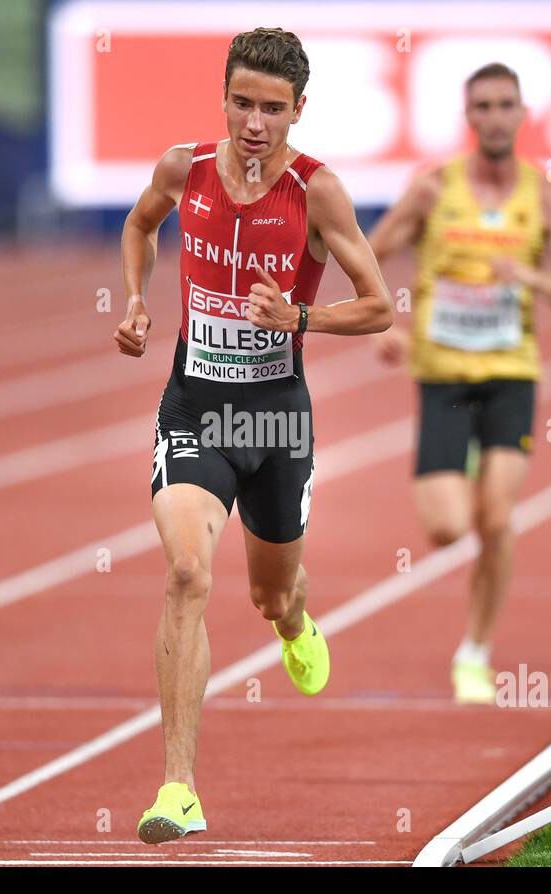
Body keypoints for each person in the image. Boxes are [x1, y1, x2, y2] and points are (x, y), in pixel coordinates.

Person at [114, 27, 393, 842]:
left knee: (272, 593)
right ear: (224, 99)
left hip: (274, 416)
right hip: (194, 409)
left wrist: (302, 316)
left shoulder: (319, 194)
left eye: (273, 108)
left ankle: (296, 623)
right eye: (242, 102)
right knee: (187, 574)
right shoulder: (184, 169)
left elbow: (378, 302)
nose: (254, 123)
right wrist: (135, 301)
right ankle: (178, 789)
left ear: (298, 110)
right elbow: (139, 228)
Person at [367, 62, 551, 704]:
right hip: (441, 375)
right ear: (468, 118)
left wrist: (532, 280)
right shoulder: (432, 191)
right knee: (446, 529)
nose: (496, 117)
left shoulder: (545, 198)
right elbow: (369, 252)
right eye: (484, 107)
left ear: (523, 114)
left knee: (495, 519)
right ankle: (467, 486)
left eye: (506, 105)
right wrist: (378, 325)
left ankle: (474, 651)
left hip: (510, 375)